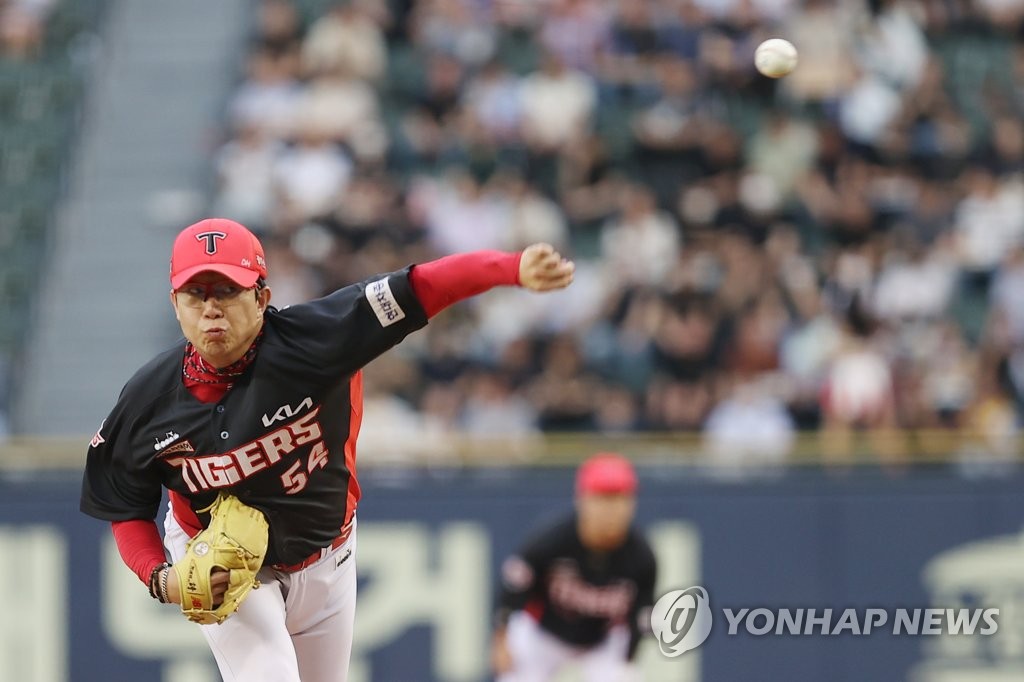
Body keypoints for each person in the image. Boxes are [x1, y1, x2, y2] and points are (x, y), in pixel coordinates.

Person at [80, 218, 575, 682]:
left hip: (327, 556)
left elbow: (421, 286)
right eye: (196, 293)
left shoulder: (317, 338)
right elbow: (124, 504)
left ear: (262, 297)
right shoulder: (147, 401)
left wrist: (509, 269)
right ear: (175, 304)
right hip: (224, 565)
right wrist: (161, 577)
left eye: (228, 290)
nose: (211, 308)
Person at [491, 453, 657, 682]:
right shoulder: (552, 540)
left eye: (620, 498)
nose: (611, 509)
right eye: (603, 497)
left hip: (600, 642)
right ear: (582, 499)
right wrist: (501, 638)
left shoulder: (642, 557)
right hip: (543, 635)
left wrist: (627, 662)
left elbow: (642, 617)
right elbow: (513, 586)